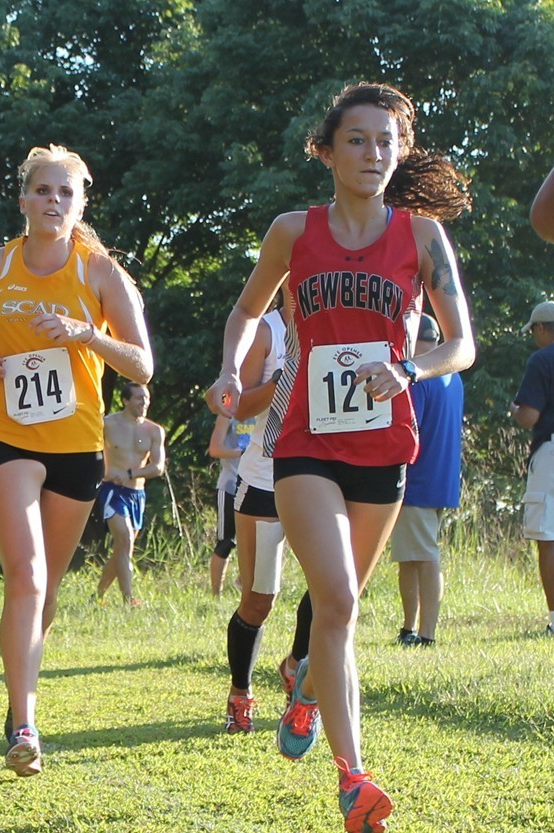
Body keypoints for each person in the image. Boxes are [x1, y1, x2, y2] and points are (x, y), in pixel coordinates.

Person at [207, 83, 474, 833]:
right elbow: (245, 308)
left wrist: (413, 367)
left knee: (338, 607)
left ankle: (309, 687)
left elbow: (464, 340)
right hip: (305, 444)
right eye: (357, 139)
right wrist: (231, 367)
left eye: (387, 141)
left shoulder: (421, 238)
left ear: (402, 152)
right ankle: (354, 779)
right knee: (343, 603)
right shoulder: (295, 232)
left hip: (384, 446)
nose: (373, 153)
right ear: (326, 150)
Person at [0, 144, 152, 778]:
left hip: (76, 447)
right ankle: (26, 722)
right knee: (26, 574)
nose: (53, 201)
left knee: (46, 587)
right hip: (3, 436)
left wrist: (88, 334)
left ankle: (15, 695)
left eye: (66, 193)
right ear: (23, 200)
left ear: (80, 204)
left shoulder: (100, 272)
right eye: (42, 191)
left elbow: (142, 364)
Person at [220, 302, 292, 734]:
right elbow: (239, 408)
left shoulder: (342, 321)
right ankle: (240, 692)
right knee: (259, 599)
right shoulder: (270, 329)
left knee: (335, 590)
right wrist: (282, 381)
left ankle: (297, 663)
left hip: (327, 477)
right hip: (266, 479)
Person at [392, 314, 463, 646]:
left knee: (423, 556)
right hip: (442, 479)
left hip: (418, 479)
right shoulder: (453, 376)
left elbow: (409, 428)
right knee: (410, 556)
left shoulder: (417, 377)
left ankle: (426, 633)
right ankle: (409, 628)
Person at [94, 382, 166, 606]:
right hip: (111, 490)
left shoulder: (154, 431)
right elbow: (89, 453)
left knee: (123, 549)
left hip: (137, 493)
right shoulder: (107, 424)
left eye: (146, 399)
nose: (144, 403)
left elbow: (158, 467)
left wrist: (131, 473)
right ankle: (128, 600)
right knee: (124, 538)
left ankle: (98, 596)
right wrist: (104, 474)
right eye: (138, 398)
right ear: (125, 400)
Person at [512, 300, 554, 636]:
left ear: (542, 328)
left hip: (551, 452)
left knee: (549, 538)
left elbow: (530, 416)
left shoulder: (541, 360)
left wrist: (515, 409)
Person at [207, 413, 251, 596]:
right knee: (226, 542)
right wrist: (243, 452)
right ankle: (216, 594)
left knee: (259, 540)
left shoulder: (267, 409)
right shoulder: (229, 414)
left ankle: (244, 583)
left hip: (259, 485)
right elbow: (215, 449)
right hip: (230, 484)